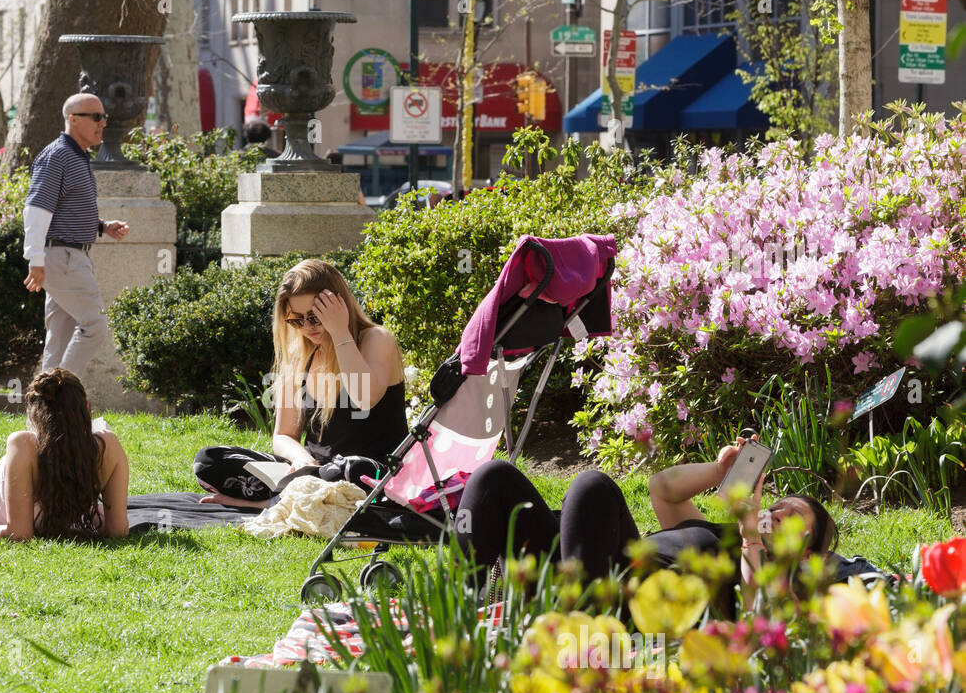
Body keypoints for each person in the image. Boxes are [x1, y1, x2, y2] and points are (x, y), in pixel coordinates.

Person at [454, 435, 837, 614]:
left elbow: (759, 616)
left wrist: (751, 533)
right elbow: (663, 490)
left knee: (593, 487)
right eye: (781, 504)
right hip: (588, 565)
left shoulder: (771, 583)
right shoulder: (720, 535)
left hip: (626, 604)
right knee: (493, 478)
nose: (780, 511)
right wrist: (719, 471)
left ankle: (578, 630)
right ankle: (462, 608)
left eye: (794, 517)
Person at [194, 258, 408, 506]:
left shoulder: (376, 339)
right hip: (314, 471)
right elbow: (284, 435)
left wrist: (339, 332)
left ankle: (271, 503)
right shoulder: (301, 354)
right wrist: (302, 459)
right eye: (297, 320)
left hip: (368, 472)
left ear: (337, 306)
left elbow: (364, 398)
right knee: (208, 460)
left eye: (315, 317)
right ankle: (297, 499)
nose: (306, 327)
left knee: (347, 471)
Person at [0, 368, 130, 541]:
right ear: (86, 408)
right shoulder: (108, 447)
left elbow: (19, 534)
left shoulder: (24, 445)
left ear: (35, 413)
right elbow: (118, 529)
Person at [22, 92, 131, 377]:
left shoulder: (75, 155)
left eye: (104, 117)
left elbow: (66, 209)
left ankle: (45, 414)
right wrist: (35, 259)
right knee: (95, 326)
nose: (103, 123)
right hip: (64, 258)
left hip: (66, 255)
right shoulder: (58, 155)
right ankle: (59, 394)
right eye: (96, 116)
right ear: (72, 119)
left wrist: (101, 226)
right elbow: (36, 209)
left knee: (58, 341)